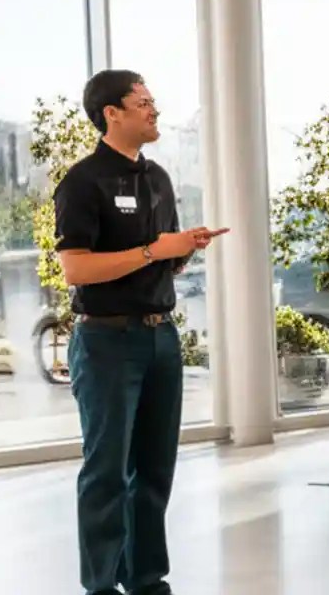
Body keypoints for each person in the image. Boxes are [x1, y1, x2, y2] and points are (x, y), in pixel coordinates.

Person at [54, 69, 228, 595]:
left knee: (154, 470)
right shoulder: (82, 182)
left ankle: (147, 580)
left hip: (161, 339)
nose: (155, 110)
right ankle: (101, 586)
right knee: (107, 472)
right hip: (107, 342)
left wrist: (182, 249)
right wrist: (155, 251)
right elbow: (77, 269)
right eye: (144, 102)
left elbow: (160, 258)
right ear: (112, 113)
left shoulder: (159, 180)